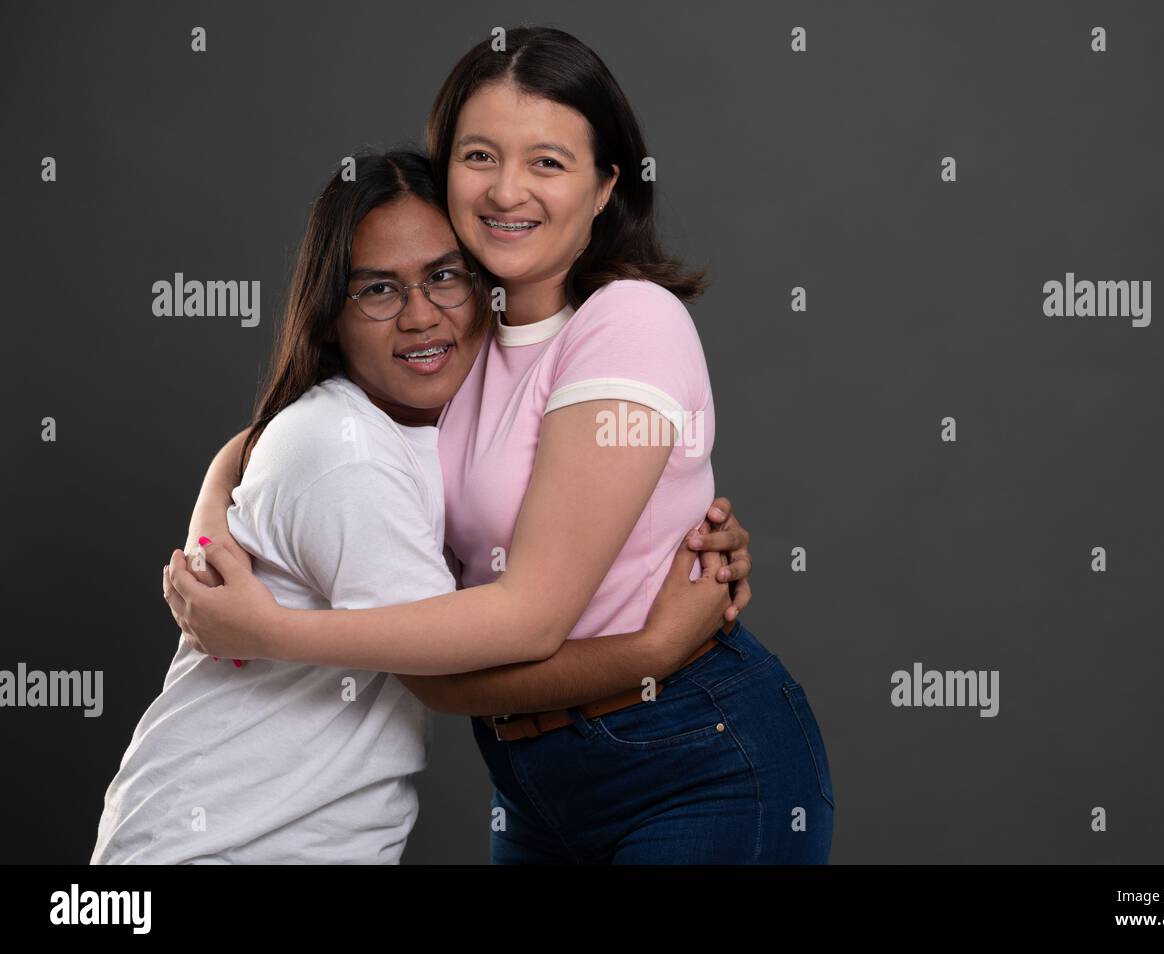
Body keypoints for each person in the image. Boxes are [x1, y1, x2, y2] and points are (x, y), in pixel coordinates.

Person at [166, 26, 832, 863]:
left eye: (548, 162)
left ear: (604, 188)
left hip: (691, 753)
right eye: (480, 155)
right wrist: (209, 524)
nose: (507, 189)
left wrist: (268, 632)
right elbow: (299, 432)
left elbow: (528, 618)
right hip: (533, 782)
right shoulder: (458, 337)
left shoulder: (628, 320)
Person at [94, 151, 733, 864]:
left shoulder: (436, 426)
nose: (420, 316)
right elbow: (447, 677)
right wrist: (655, 651)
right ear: (330, 314)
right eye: (377, 290)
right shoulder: (347, 453)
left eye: (443, 276)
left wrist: (685, 522)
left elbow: (251, 445)